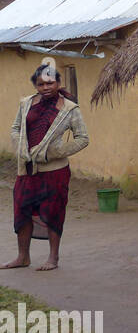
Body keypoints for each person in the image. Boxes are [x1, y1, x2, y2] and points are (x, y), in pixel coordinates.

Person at [4, 58, 89, 271]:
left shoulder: (69, 109)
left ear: (58, 83)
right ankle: (23, 257)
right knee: (22, 210)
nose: (45, 87)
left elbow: (82, 138)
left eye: (50, 83)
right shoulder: (26, 104)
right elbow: (15, 128)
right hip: (26, 169)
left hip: (55, 171)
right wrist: (21, 147)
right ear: (36, 85)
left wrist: (57, 152)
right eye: (40, 84)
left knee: (53, 211)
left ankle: (53, 258)